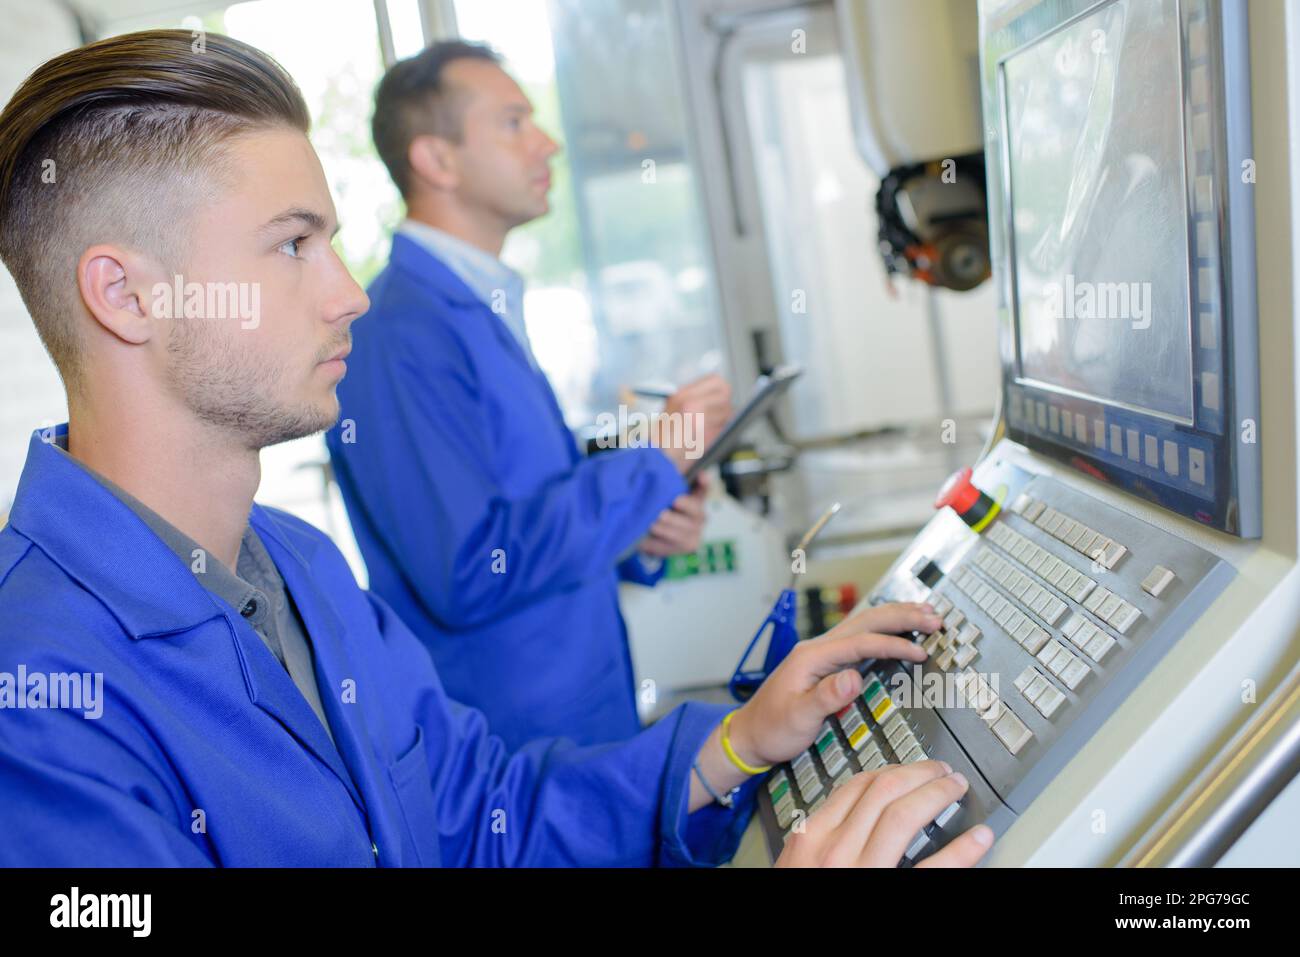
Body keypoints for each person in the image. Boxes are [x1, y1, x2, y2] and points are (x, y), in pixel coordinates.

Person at [0, 30, 993, 868]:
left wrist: (730, 746)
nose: (348, 293)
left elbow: (480, 815)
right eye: (293, 243)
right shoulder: (37, 700)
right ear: (127, 296)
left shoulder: (301, 569)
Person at [326, 41, 732, 748]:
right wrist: (651, 465)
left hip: (580, 728)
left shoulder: (479, 307)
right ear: (436, 160)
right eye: (514, 123)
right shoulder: (397, 333)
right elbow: (470, 568)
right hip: (510, 756)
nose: (547, 143)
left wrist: (643, 524)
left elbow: (532, 496)